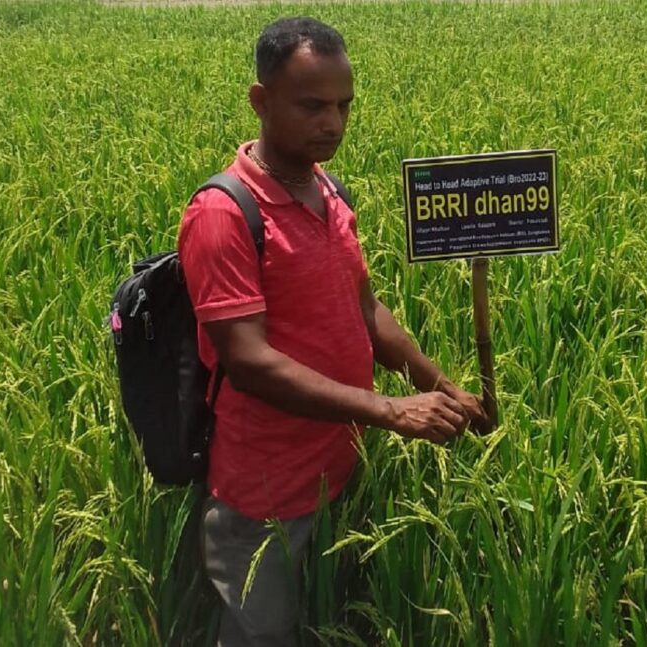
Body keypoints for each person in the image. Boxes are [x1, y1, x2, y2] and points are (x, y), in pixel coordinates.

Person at [178, 16, 487, 647]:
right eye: (312, 105)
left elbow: (365, 310)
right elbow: (248, 362)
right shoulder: (224, 214)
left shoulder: (326, 189)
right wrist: (390, 410)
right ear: (261, 101)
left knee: (322, 616)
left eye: (344, 106)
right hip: (263, 491)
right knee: (260, 634)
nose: (334, 123)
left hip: (338, 467)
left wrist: (438, 385)